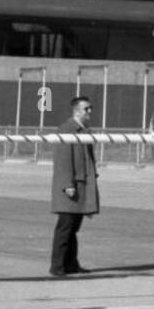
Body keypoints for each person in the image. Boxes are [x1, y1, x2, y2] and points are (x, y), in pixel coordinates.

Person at [49, 96, 100, 277]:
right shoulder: (67, 130)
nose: (89, 112)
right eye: (86, 109)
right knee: (65, 227)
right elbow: (62, 160)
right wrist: (67, 184)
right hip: (71, 187)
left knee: (73, 228)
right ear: (77, 110)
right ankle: (57, 266)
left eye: (90, 108)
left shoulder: (84, 131)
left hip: (81, 186)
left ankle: (71, 263)